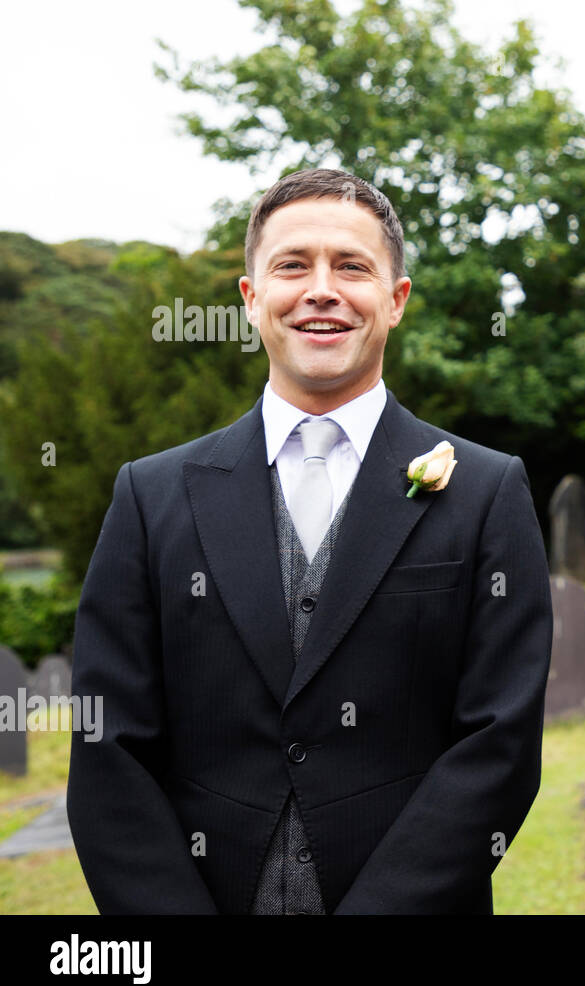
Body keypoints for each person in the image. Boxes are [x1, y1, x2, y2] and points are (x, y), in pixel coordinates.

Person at [67, 168, 552, 914]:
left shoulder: (487, 492)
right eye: (292, 265)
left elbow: (499, 745)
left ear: (395, 301)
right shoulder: (149, 495)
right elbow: (109, 751)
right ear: (252, 297)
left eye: (352, 266)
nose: (321, 289)